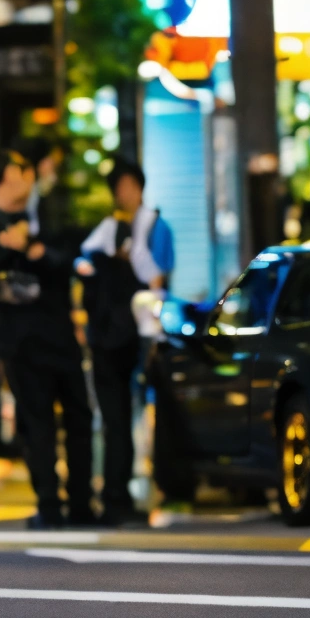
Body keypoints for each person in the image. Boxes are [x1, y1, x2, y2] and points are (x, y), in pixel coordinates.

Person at [0, 138, 93, 528]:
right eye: (20, 170)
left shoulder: (46, 214)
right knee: (37, 423)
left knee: (79, 417)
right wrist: (11, 248)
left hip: (60, 333)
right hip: (19, 341)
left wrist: (33, 248)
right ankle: (50, 505)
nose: (29, 176)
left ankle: (83, 503)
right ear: (0, 181)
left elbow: (70, 255)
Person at [76, 157, 173, 527]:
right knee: (116, 418)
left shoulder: (154, 226)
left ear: (140, 187)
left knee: (135, 416)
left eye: (128, 185)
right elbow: (82, 263)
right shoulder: (107, 229)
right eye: (118, 186)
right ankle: (117, 492)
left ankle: (143, 487)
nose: (123, 192)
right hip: (112, 335)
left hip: (141, 334)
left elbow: (160, 277)